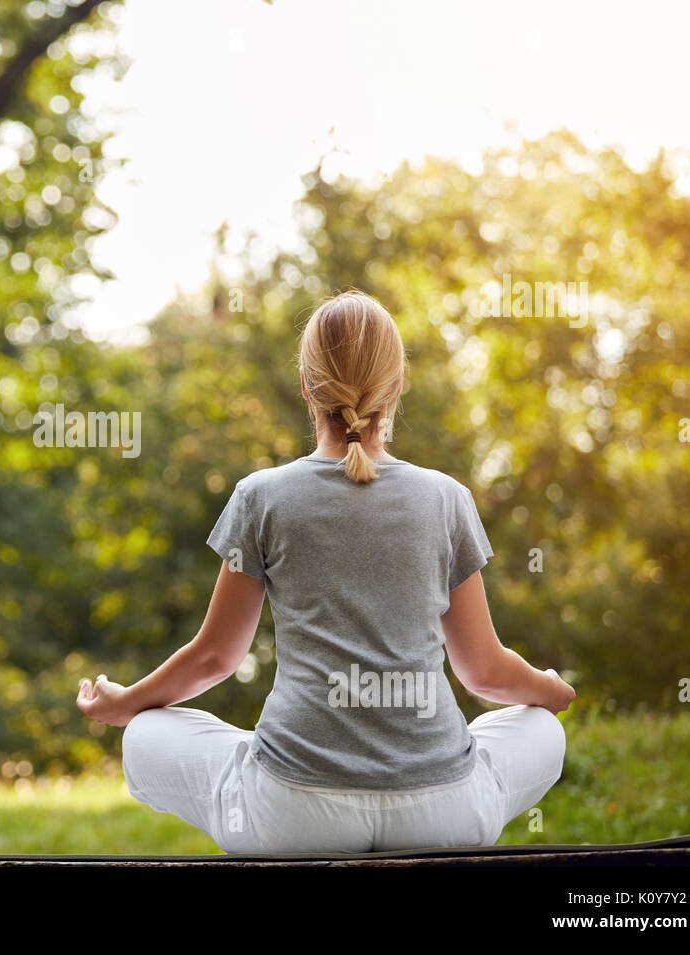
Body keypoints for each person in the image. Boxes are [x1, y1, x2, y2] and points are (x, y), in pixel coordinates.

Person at [75, 289, 575, 854]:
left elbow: (216, 659)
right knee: (540, 731)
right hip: (443, 813)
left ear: (308, 385)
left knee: (145, 733)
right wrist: (546, 689)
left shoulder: (262, 497)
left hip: (291, 815)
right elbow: (484, 673)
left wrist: (125, 703)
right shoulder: (446, 499)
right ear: (399, 383)